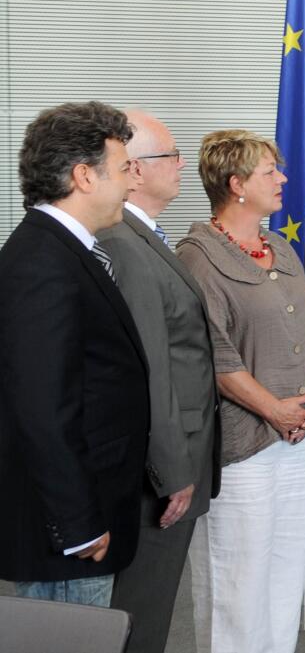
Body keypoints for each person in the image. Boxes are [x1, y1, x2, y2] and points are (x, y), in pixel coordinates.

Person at [177, 129, 305, 653]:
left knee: (287, 573)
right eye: (270, 171)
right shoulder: (198, 257)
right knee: (236, 581)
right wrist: (275, 410)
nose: (283, 178)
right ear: (236, 184)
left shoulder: (282, 248)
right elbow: (216, 358)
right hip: (243, 445)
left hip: (297, 438)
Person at [0, 101, 148, 606]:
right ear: (84, 176)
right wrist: (80, 525)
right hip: (65, 538)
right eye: (126, 169)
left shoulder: (66, 251)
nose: (133, 183)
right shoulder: (41, 263)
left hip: (88, 516)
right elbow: (41, 407)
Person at [98, 110, 220, 653]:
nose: (182, 166)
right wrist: (171, 471)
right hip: (161, 472)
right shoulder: (123, 243)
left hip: (176, 457)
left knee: (151, 609)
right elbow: (150, 365)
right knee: (140, 615)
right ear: (135, 171)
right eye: (170, 155)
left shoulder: (145, 237)